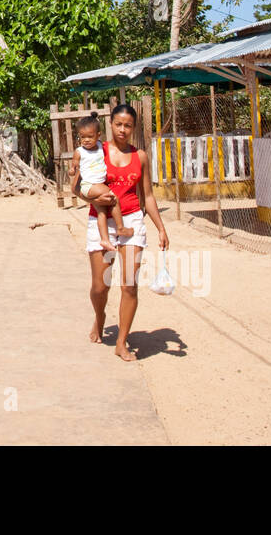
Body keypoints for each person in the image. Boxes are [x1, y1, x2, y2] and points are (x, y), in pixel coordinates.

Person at [83, 104, 169, 362]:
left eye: (128, 125)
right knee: (100, 285)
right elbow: (78, 185)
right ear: (110, 124)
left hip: (132, 220)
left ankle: (122, 342)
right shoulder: (97, 151)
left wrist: (161, 228)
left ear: (134, 128)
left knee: (129, 285)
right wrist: (91, 197)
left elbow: (148, 196)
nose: (122, 129)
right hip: (101, 220)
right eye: (118, 124)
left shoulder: (140, 156)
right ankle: (100, 318)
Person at [69, 116, 132, 251]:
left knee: (102, 213)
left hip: (94, 185)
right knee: (113, 198)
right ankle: (120, 227)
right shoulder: (80, 151)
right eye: (82, 137)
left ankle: (104, 240)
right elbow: (74, 164)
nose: (86, 140)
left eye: (90, 136)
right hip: (90, 185)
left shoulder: (99, 146)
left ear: (98, 135)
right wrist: (72, 169)